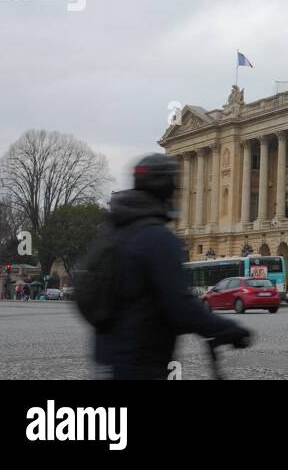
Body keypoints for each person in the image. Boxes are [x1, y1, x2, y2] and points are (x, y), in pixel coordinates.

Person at [93, 154, 251, 380]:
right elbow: (180, 304)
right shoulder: (158, 237)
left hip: (109, 357)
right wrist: (226, 329)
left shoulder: (114, 230)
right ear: (166, 189)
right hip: (142, 363)